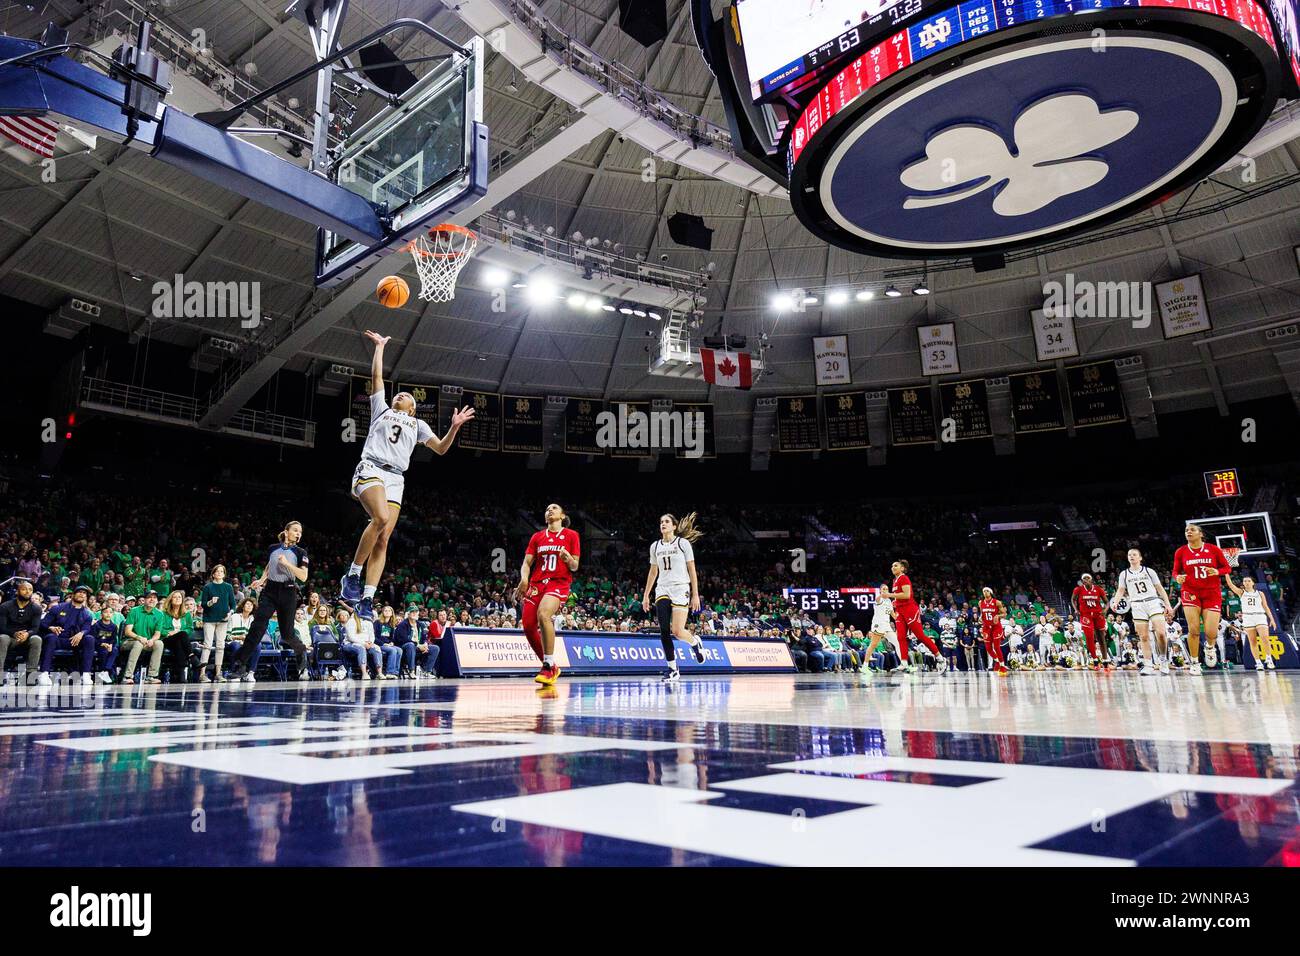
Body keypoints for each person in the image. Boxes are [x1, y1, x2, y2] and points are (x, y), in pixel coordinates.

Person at [338, 330, 474, 621]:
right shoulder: (381, 409)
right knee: (381, 518)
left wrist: (454, 428)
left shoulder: (419, 425)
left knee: (384, 539)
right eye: (399, 393)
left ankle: (367, 598)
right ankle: (352, 575)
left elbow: (439, 449)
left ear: (412, 408)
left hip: (396, 478)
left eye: (406, 396)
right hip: (372, 466)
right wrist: (380, 348)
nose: (400, 395)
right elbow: (377, 379)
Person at [227, 521, 311, 683]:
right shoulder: (273, 548)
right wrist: (262, 579)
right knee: (257, 627)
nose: (298, 533)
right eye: (295, 530)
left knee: (287, 635)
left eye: (300, 532)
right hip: (270, 591)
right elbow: (269, 565)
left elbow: (303, 576)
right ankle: (241, 665)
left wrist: (287, 564)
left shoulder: (301, 552)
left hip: (288, 592)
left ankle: (301, 651)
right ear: (286, 532)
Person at [515, 503, 580, 686]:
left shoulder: (571, 535)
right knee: (528, 626)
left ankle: (548, 663)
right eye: (546, 509)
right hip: (536, 584)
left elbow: (575, 566)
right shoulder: (537, 537)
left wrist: (568, 560)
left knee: (544, 614)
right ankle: (551, 666)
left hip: (558, 583)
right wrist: (524, 579)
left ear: (562, 515)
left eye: (554, 508)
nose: (549, 510)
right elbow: (527, 563)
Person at [641, 512, 707, 684]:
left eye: (666, 521)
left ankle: (694, 643)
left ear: (674, 526)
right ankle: (673, 669)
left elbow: (692, 569)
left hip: (680, 588)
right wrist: (646, 595)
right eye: (661, 521)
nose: (663, 524)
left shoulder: (683, 544)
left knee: (677, 631)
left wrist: (695, 594)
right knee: (664, 630)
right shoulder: (655, 546)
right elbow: (653, 571)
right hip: (662, 588)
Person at [1172, 524, 1233, 676]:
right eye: (1186, 530)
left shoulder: (1213, 549)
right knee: (1193, 629)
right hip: (1190, 592)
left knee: (1211, 631)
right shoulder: (1181, 551)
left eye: (1192, 530)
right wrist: (1177, 577)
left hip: (1211, 592)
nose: (1188, 532)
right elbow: (1175, 571)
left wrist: (1217, 571)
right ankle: (1194, 662)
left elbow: (1227, 568)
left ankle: (1210, 647)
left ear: (1200, 534)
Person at [1111, 547, 1176, 676]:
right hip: (1137, 605)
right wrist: (1115, 601)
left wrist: (1168, 605)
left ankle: (1163, 660)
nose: (1131, 556)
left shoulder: (1149, 571)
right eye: (1129, 555)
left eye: (1134, 554)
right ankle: (1148, 664)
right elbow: (1120, 590)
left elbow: (1160, 588)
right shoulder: (1124, 574)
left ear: (1140, 558)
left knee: (1161, 633)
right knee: (1144, 636)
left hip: (1152, 602)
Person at [880, 560, 942, 673]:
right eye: (892, 566)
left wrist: (889, 595)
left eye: (895, 565)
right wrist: (894, 602)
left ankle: (939, 657)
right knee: (900, 637)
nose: (892, 567)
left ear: (902, 568)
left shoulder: (904, 578)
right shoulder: (895, 580)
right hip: (900, 610)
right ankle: (904, 663)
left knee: (920, 635)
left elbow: (907, 595)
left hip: (910, 610)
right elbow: (899, 596)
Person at [34, 584, 95, 686]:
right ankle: (44, 673)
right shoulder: (58, 608)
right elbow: (43, 623)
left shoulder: (87, 614)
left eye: (84, 593)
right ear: (73, 595)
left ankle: (85, 675)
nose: (82, 594)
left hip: (75, 641)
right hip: (59, 638)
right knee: (50, 637)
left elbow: (87, 628)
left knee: (89, 639)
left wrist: (81, 633)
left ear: (86, 597)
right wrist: (51, 628)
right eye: (79, 592)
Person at [1228, 575, 1278, 671]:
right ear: (1243, 583)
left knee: (1265, 638)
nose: (1246, 582)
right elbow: (1230, 585)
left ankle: (1269, 659)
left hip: (1260, 616)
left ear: (1253, 583)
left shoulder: (1260, 593)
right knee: (1253, 641)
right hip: (1248, 617)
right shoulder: (1241, 592)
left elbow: (1266, 607)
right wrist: (1226, 572)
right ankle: (1258, 663)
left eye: (1248, 581)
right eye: (1245, 581)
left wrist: (1272, 619)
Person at [0, 578, 43, 685]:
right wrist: (14, 633)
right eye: (24, 589)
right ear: (17, 591)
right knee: (2, 638)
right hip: (10, 637)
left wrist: (27, 634)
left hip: (27, 638)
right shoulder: (5, 606)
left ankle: (30, 675)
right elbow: (2, 627)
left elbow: (35, 628)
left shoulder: (36, 608)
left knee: (36, 639)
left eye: (30, 589)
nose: (28, 592)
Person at [197, 564, 236, 683]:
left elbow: (233, 604)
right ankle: (202, 674)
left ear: (224, 574)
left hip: (223, 620)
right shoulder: (208, 587)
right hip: (209, 619)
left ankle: (218, 673)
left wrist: (230, 613)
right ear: (213, 574)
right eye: (217, 571)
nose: (219, 573)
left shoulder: (228, 587)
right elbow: (203, 604)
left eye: (221, 571)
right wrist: (210, 602)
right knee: (207, 645)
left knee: (221, 646)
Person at [122, 590, 166, 684]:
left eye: (154, 598)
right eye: (149, 597)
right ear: (144, 600)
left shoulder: (159, 614)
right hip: (130, 641)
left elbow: (157, 634)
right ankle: (127, 676)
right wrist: (139, 638)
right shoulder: (134, 611)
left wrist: (152, 640)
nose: (152, 599)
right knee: (138, 644)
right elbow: (127, 631)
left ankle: (151, 676)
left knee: (159, 643)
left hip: (147, 642)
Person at [1071, 573, 1111, 668]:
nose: (1085, 579)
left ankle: (1105, 661)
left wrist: (1105, 610)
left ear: (1091, 579)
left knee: (1101, 638)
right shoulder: (1078, 589)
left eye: (1087, 578)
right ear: (1082, 581)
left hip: (1098, 615)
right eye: (1083, 578)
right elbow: (1073, 599)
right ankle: (1095, 659)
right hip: (1086, 616)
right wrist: (1076, 610)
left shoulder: (1098, 589)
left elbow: (1107, 602)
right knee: (1089, 637)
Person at [159, 590, 197, 684]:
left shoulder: (187, 614)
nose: (177, 599)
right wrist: (168, 632)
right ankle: (192, 658)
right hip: (167, 638)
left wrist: (179, 632)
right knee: (182, 634)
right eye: (175, 597)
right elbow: (159, 628)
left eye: (179, 597)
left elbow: (190, 629)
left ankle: (181, 675)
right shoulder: (163, 613)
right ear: (170, 599)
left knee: (180, 641)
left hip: (180, 640)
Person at [978, 587, 1008, 674]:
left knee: (996, 647)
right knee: (988, 648)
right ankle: (997, 661)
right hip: (986, 627)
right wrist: (980, 618)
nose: (985, 592)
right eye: (983, 591)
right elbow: (982, 613)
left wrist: (998, 616)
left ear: (990, 592)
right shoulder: (981, 602)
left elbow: (1004, 614)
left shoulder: (997, 602)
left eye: (987, 591)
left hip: (996, 627)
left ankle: (1002, 666)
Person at [87, 604, 121, 684]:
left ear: (113, 614)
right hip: (98, 645)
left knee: (115, 650)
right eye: (106, 612)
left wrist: (111, 645)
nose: (108, 614)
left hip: (108, 645)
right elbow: (93, 638)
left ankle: (105, 670)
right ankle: (104, 671)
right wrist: (102, 644)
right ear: (101, 614)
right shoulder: (97, 625)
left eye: (110, 612)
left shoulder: (114, 626)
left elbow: (113, 639)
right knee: (104, 652)